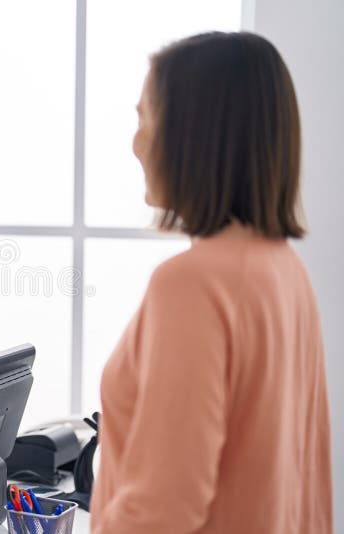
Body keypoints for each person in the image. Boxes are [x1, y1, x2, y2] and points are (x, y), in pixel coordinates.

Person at [91, 32, 332, 533]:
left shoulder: (190, 285)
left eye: (144, 118)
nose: (135, 143)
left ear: (192, 132)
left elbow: (162, 511)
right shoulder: (286, 271)